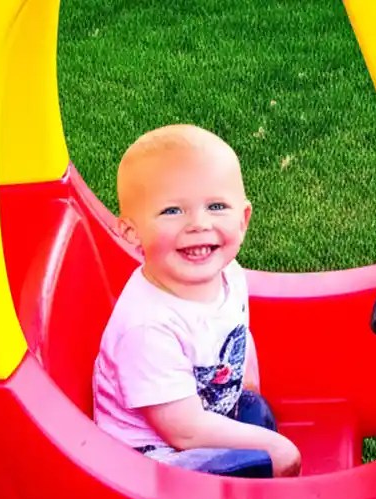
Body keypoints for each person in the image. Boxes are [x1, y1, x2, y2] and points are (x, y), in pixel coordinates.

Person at [92, 124, 302, 478]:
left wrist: (247, 391)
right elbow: (183, 430)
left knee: (259, 418)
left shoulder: (229, 274)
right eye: (172, 211)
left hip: (203, 413)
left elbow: (237, 335)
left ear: (243, 219)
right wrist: (275, 448)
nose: (198, 224)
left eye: (217, 206)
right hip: (149, 459)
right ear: (131, 231)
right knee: (270, 459)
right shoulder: (147, 327)